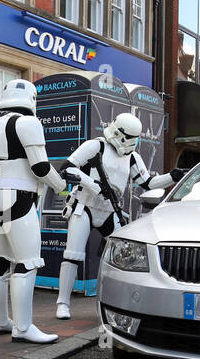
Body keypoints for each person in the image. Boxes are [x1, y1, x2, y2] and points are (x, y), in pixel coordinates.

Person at [56, 112, 179, 320]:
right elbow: (66, 168)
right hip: (84, 205)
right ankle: (62, 303)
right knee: (73, 255)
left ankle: (125, 302)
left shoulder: (131, 157)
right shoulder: (97, 146)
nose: (133, 142)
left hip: (109, 211)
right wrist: (92, 184)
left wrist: (172, 177)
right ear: (120, 133)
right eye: (131, 138)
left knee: (127, 255)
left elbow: (146, 183)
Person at [0, 79, 66, 344]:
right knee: (27, 261)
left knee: (0, 258)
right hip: (18, 196)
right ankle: (23, 327)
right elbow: (40, 167)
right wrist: (62, 187)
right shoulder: (28, 123)